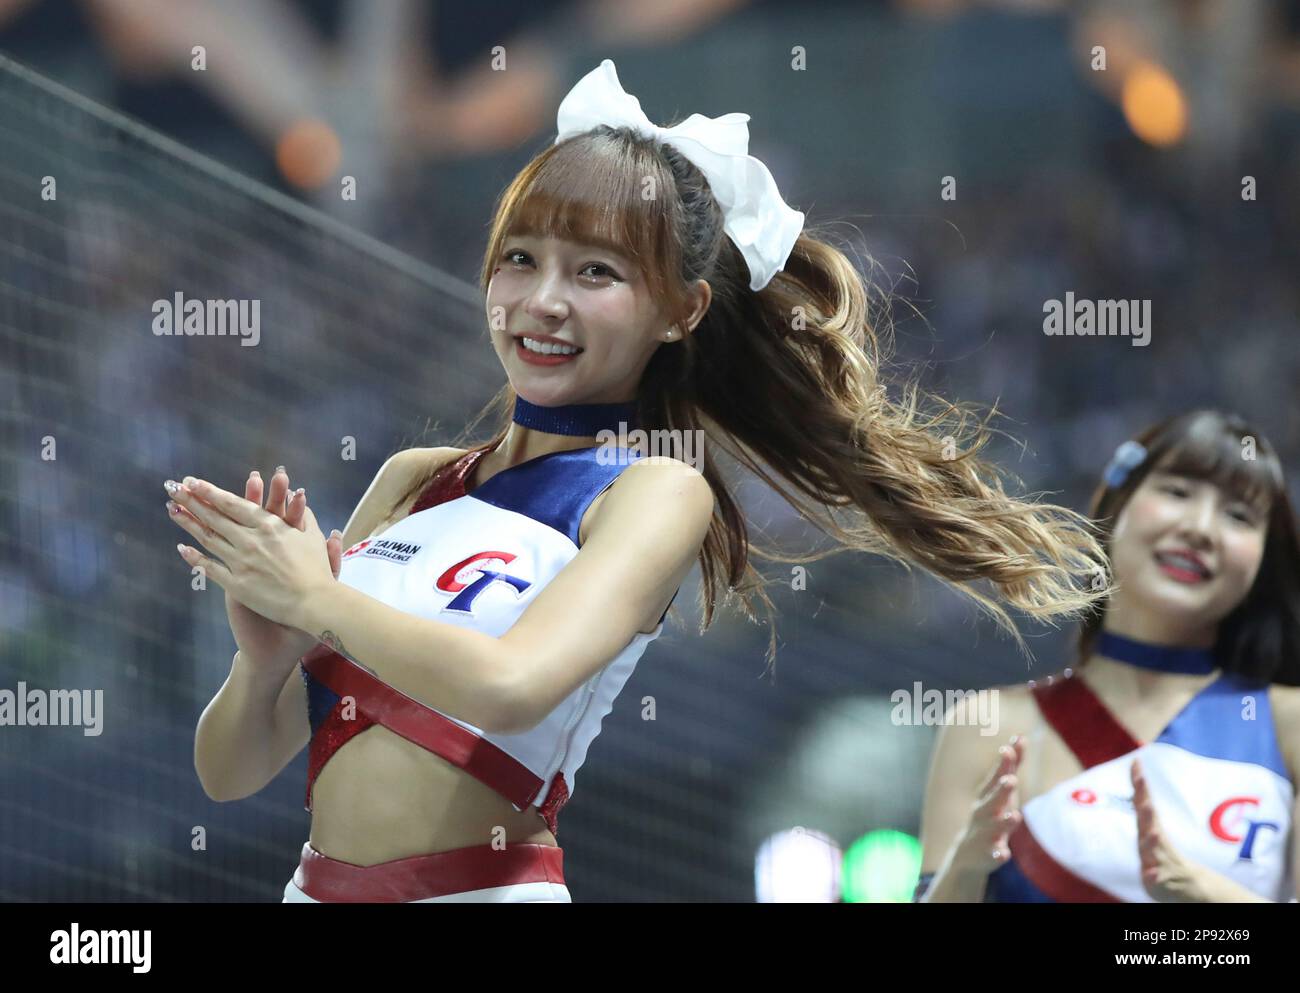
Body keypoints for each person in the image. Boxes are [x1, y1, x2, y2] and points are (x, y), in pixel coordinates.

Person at [169, 60, 1109, 902]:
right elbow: (231, 772)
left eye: (596, 273)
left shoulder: (655, 489)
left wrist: (322, 596)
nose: (542, 301)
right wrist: (267, 656)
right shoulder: (411, 481)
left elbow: (514, 683)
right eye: (521, 260)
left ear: (680, 309)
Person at [917, 409, 1300, 903]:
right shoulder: (989, 724)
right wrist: (965, 869)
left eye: (1239, 516)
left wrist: (1205, 897)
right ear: (1116, 507)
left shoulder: (1288, 724)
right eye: (1177, 492)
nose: (1202, 528)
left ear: (1263, 563)